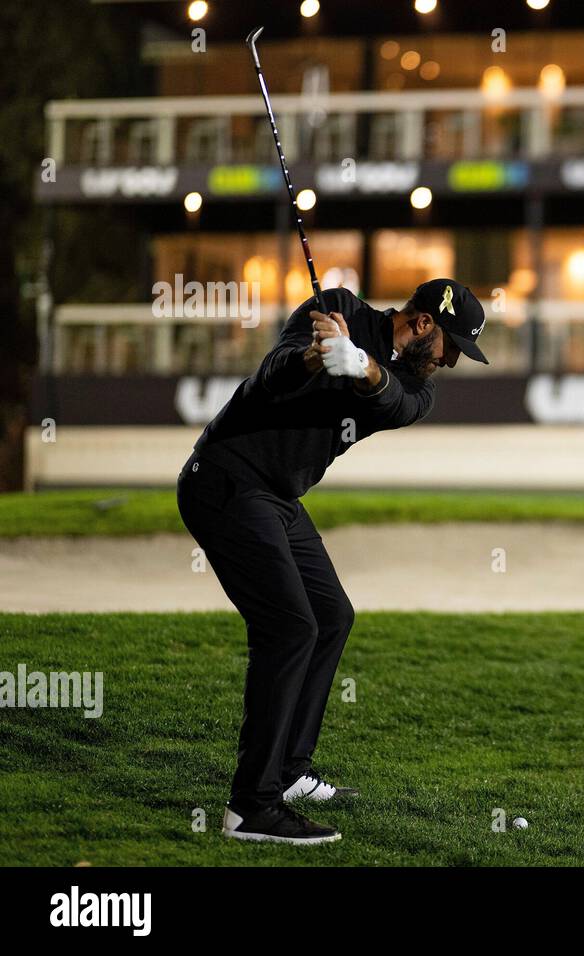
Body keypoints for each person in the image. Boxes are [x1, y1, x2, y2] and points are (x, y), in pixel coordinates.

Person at [177, 278, 488, 844]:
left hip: (279, 498)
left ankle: (289, 771)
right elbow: (268, 378)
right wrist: (314, 358)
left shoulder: (417, 386)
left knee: (332, 616)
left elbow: (391, 400)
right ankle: (251, 807)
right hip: (226, 478)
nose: (452, 362)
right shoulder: (338, 306)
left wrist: (362, 365)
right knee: (290, 629)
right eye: (452, 348)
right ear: (424, 325)